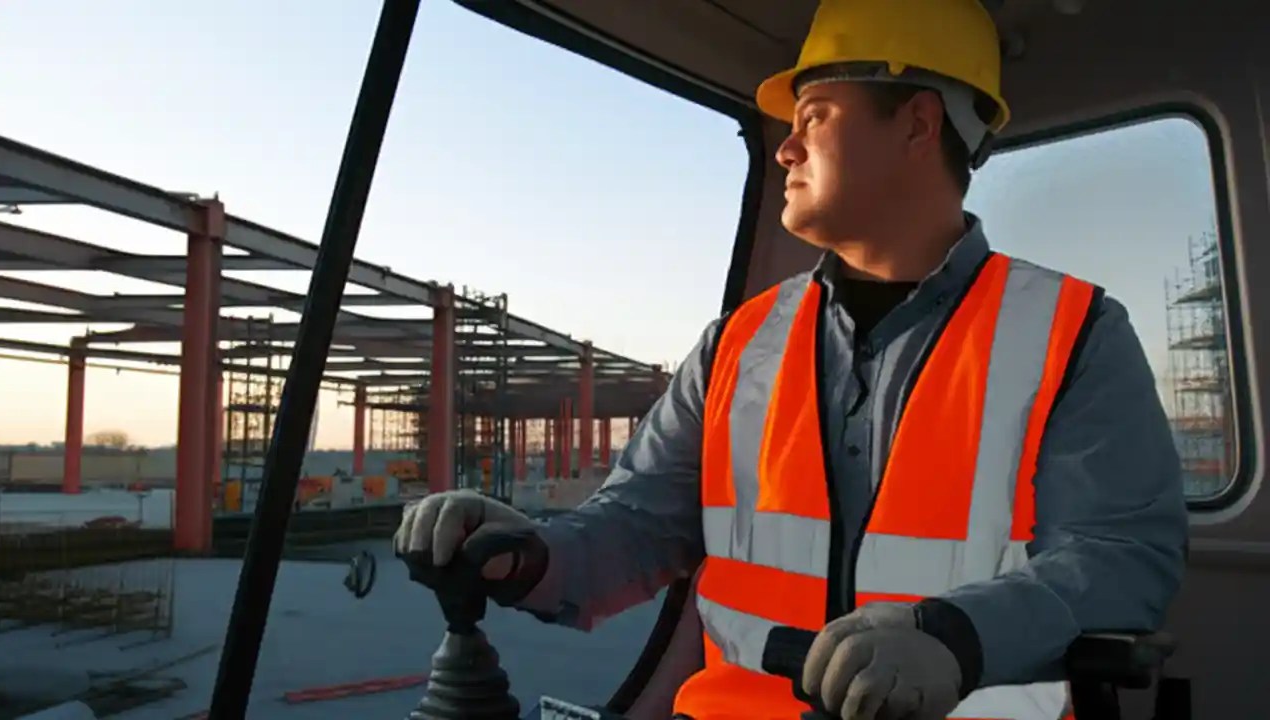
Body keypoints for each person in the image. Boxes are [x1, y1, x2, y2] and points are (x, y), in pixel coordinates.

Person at [394, 0, 1189, 717]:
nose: (785, 150)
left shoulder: (1074, 333)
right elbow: (636, 530)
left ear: (917, 124)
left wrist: (954, 638)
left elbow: (1120, 559)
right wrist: (529, 553)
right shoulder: (737, 344)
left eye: (814, 116)